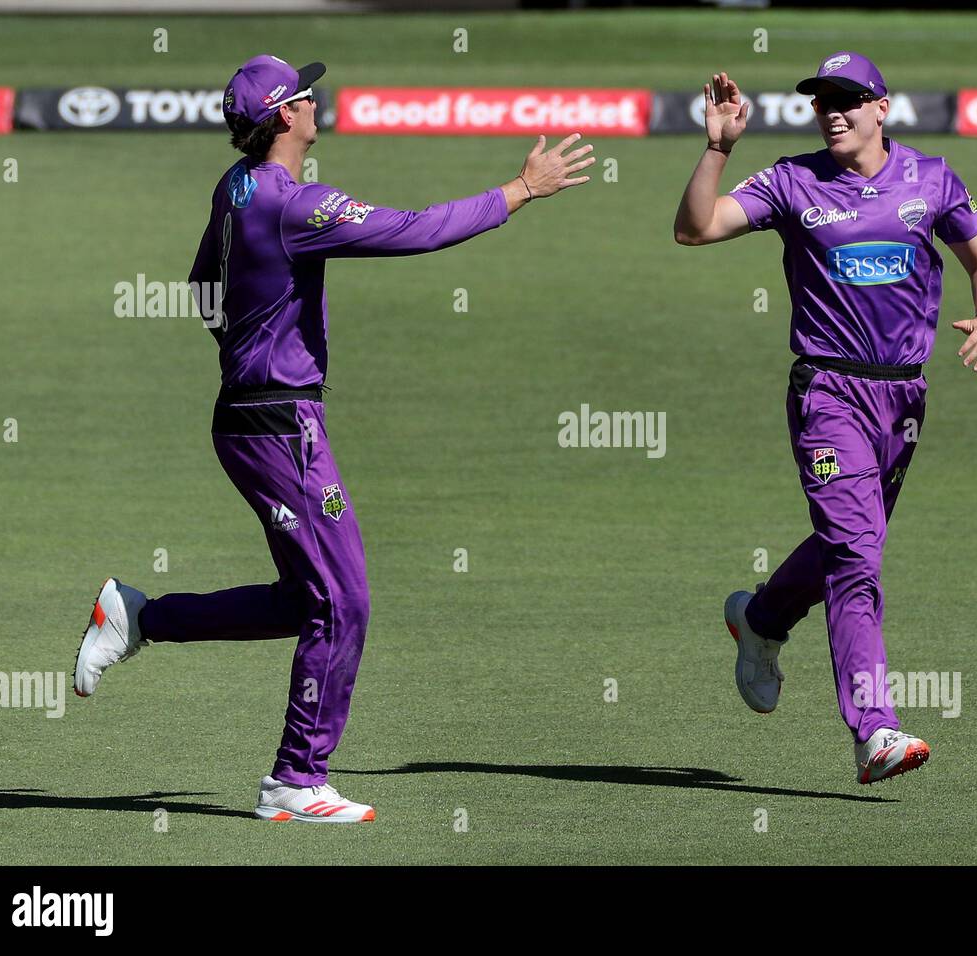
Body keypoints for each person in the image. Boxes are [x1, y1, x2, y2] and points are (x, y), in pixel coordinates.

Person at [73, 54, 594, 822]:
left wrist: (248, 341)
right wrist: (520, 189)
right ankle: (295, 777)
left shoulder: (235, 187)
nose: (320, 101)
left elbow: (201, 286)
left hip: (259, 413)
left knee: (308, 599)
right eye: (307, 94)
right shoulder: (292, 203)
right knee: (344, 601)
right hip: (277, 425)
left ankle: (142, 617)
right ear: (285, 114)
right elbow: (415, 231)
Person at [674, 53, 977, 784]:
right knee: (858, 556)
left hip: (905, 400)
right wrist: (719, 148)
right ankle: (873, 729)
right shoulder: (793, 181)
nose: (835, 112)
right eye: (824, 101)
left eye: (850, 99)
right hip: (827, 394)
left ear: (882, 106)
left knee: (845, 542)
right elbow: (696, 229)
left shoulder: (931, 178)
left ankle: (760, 621)